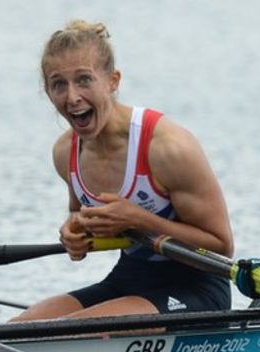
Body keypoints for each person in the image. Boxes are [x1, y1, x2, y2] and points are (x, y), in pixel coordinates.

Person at [12, 20, 233, 321]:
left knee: (65, 330)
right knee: (18, 329)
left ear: (112, 81)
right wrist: (74, 232)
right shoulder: (65, 153)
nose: (72, 97)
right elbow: (78, 214)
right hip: (128, 281)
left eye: (84, 80)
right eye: (58, 84)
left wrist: (137, 219)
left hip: (195, 287)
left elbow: (221, 246)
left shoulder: (167, 147)